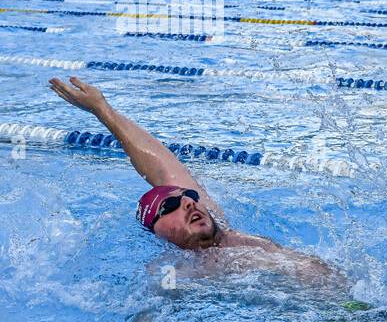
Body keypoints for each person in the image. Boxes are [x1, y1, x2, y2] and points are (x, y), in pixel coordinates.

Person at [46, 76, 336, 279]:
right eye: (170, 207)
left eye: (190, 198)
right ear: (155, 230)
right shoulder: (179, 274)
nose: (187, 204)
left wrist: (103, 110)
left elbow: (161, 165)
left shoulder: (224, 230)